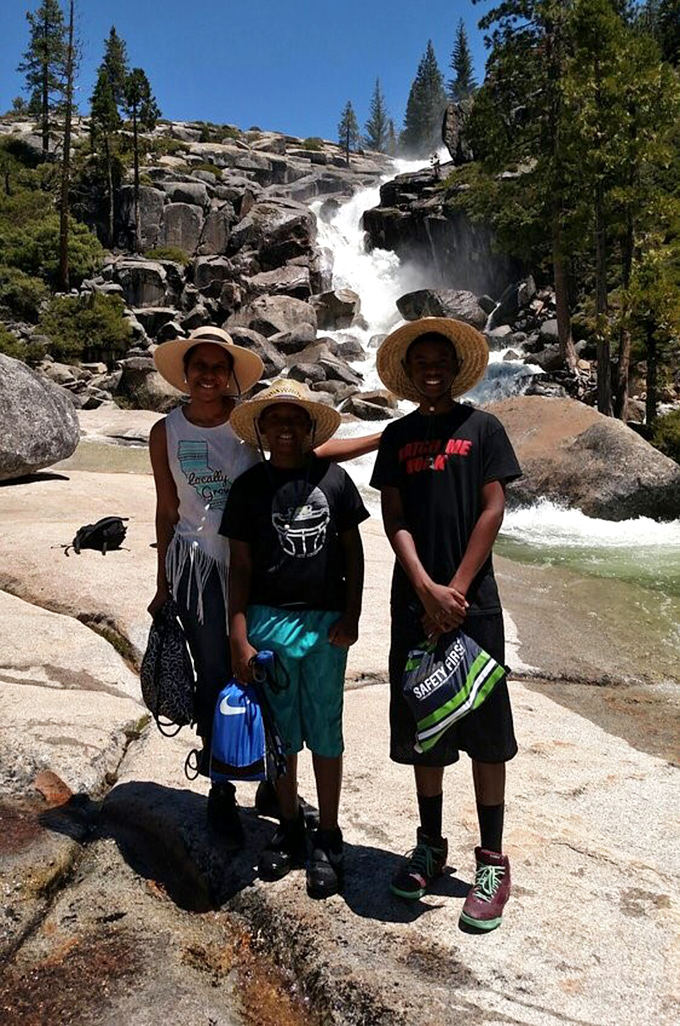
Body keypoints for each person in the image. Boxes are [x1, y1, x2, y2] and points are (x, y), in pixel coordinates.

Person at [148, 327, 380, 848]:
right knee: (219, 677)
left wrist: (382, 436)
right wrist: (163, 580)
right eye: (198, 366)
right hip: (201, 566)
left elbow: (307, 449)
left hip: (261, 564)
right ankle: (222, 787)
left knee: (265, 682)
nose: (208, 376)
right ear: (184, 374)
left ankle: (272, 780)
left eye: (217, 367)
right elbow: (167, 508)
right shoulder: (165, 431)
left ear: (231, 374)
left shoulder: (245, 423)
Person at [369, 317, 522, 932]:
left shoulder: (483, 428)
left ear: (455, 370)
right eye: (420, 363)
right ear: (408, 375)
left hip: (473, 602)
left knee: (486, 729)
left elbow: (494, 506)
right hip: (414, 604)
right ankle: (430, 844)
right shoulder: (397, 435)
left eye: (440, 361)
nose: (430, 370)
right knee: (422, 726)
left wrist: (455, 588)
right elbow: (394, 518)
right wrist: (426, 588)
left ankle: (492, 861)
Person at [221, 379, 370, 899]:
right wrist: (238, 636)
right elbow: (239, 566)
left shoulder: (334, 479)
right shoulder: (248, 488)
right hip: (266, 623)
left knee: (326, 729)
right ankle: (289, 826)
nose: (285, 428)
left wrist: (351, 616)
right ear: (261, 429)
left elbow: (354, 552)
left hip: (325, 624)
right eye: (275, 420)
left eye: (296, 420)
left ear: (311, 428)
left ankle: (328, 834)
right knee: (279, 736)